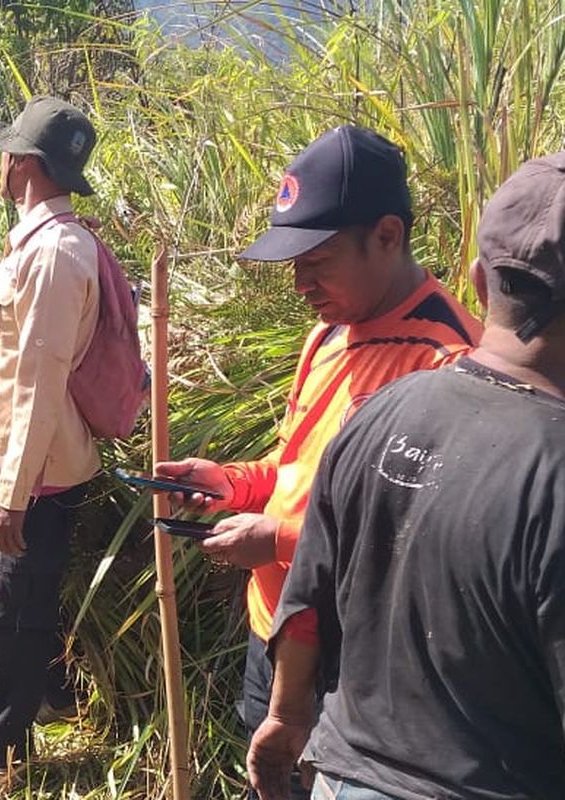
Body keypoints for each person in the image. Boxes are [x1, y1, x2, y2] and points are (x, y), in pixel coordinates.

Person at [154, 126, 481, 798]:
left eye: (318, 259)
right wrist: (233, 484)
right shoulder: (327, 334)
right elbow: (298, 470)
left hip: (352, 660)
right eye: (294, 262)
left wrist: (276, 540)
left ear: (387, 235)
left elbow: (417, 545)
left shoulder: (446, 365)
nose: (301, 283)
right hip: (272, 627)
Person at [248, 152, 565, 800]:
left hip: (343, 775)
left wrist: (286, 715)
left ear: (479, 282)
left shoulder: (385, 409)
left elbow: (310, 590)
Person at [0, 96, 103, 799]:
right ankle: (47, 695)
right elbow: (4, 373)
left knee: (18, 618)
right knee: (17, 604)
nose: (2, 166)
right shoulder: (36, 242)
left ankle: (2, 758)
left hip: (37, 479)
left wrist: (8, 495)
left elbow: (41, 386)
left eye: (7, 155)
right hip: (15, 467)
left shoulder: (56, 254)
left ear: (23, 166)